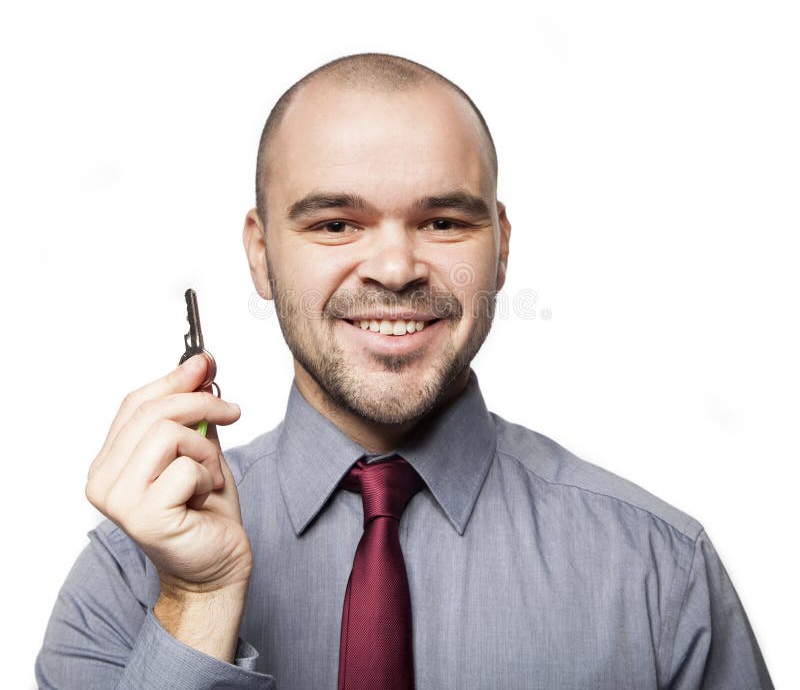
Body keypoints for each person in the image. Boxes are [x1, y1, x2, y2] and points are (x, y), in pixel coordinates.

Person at [35, 53, 773, 689]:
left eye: (443, 222)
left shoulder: (661, 573)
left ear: (501, 246)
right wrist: (198, 604)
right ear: (260, 254)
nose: (394, 268)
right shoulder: (125, 580)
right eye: (336, 224)